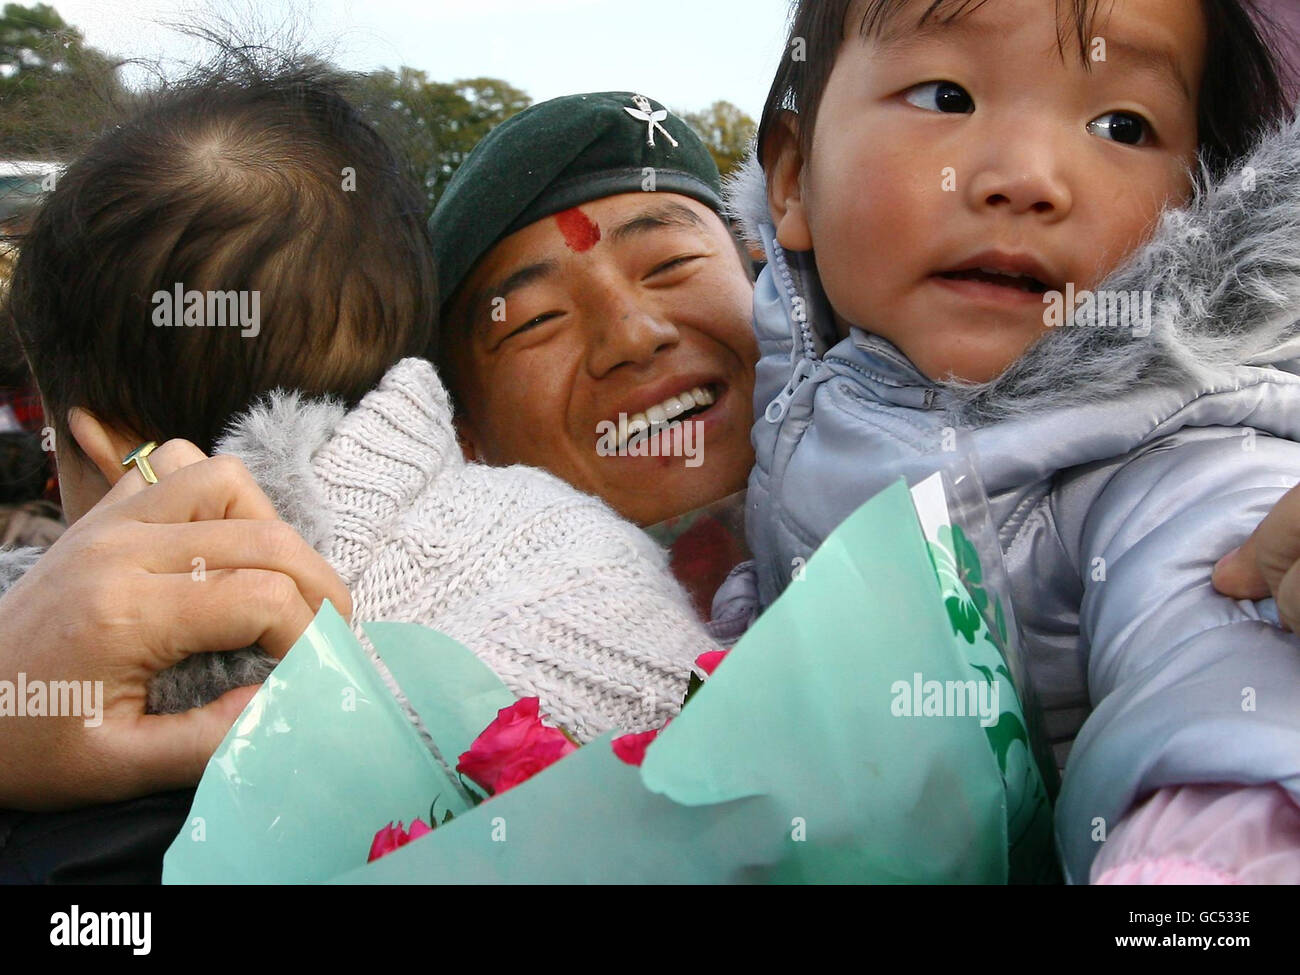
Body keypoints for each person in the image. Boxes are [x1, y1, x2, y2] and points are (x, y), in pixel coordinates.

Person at [0, 63, 719, 878]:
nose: (635, 335)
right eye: (537, 318)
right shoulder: (588, 553)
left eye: (671, 265)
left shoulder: (63, 683)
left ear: (114, 450)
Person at [730, 0, 1300, 883]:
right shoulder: (787, 397)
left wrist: (1204, 865)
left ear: (1202, 200)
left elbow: (1218, 660)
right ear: (796, 180)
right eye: (946, 96)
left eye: (1121, 125)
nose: (1028, 179)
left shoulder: (1176, 447)